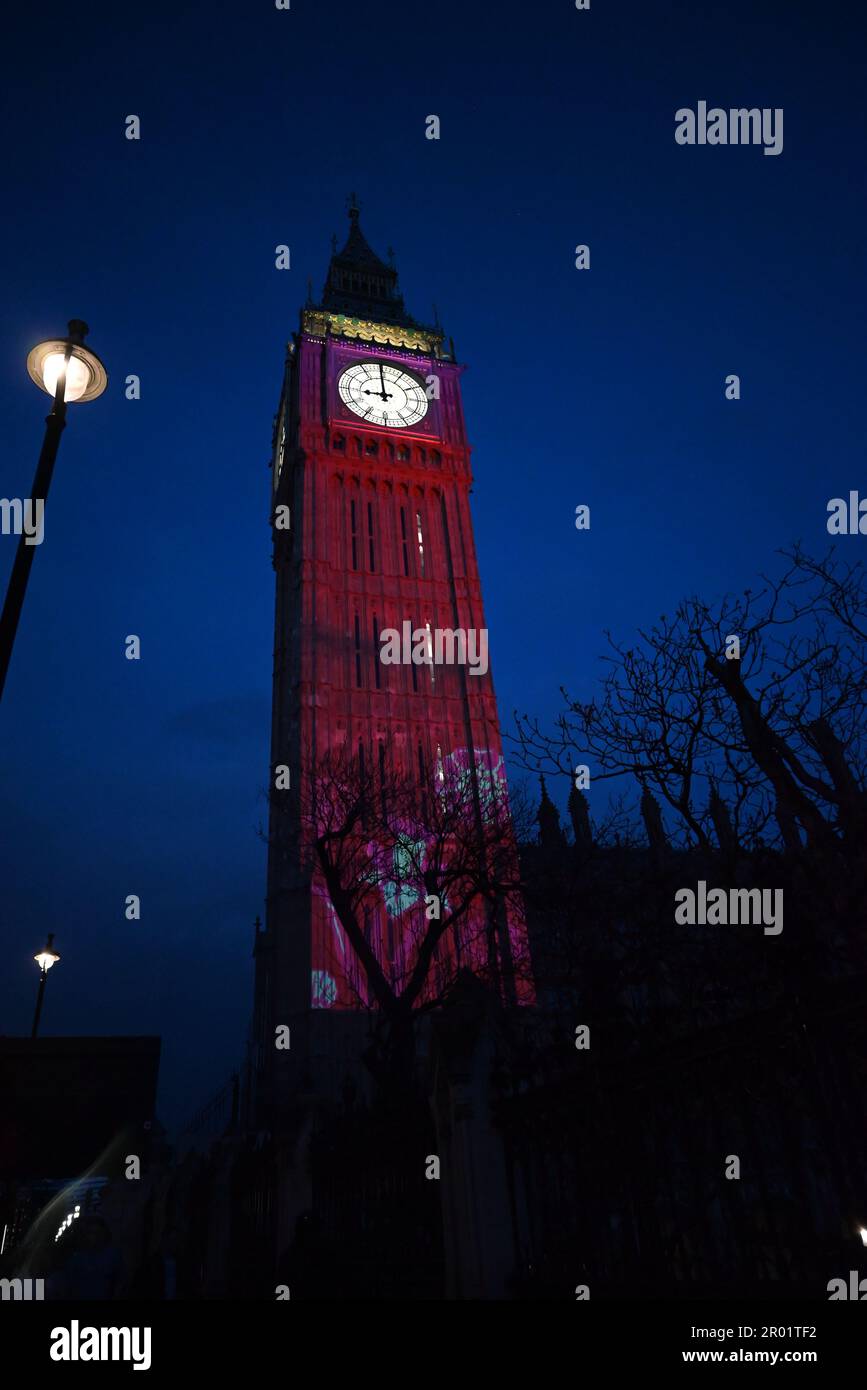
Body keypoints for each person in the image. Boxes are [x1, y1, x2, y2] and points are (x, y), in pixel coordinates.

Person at [60, 1214, 124, 1299]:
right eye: (91, 1233)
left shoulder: (113, 1256)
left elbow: (120, 1283)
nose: (94, 1237)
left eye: (98, 1233)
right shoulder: (77, 1258)